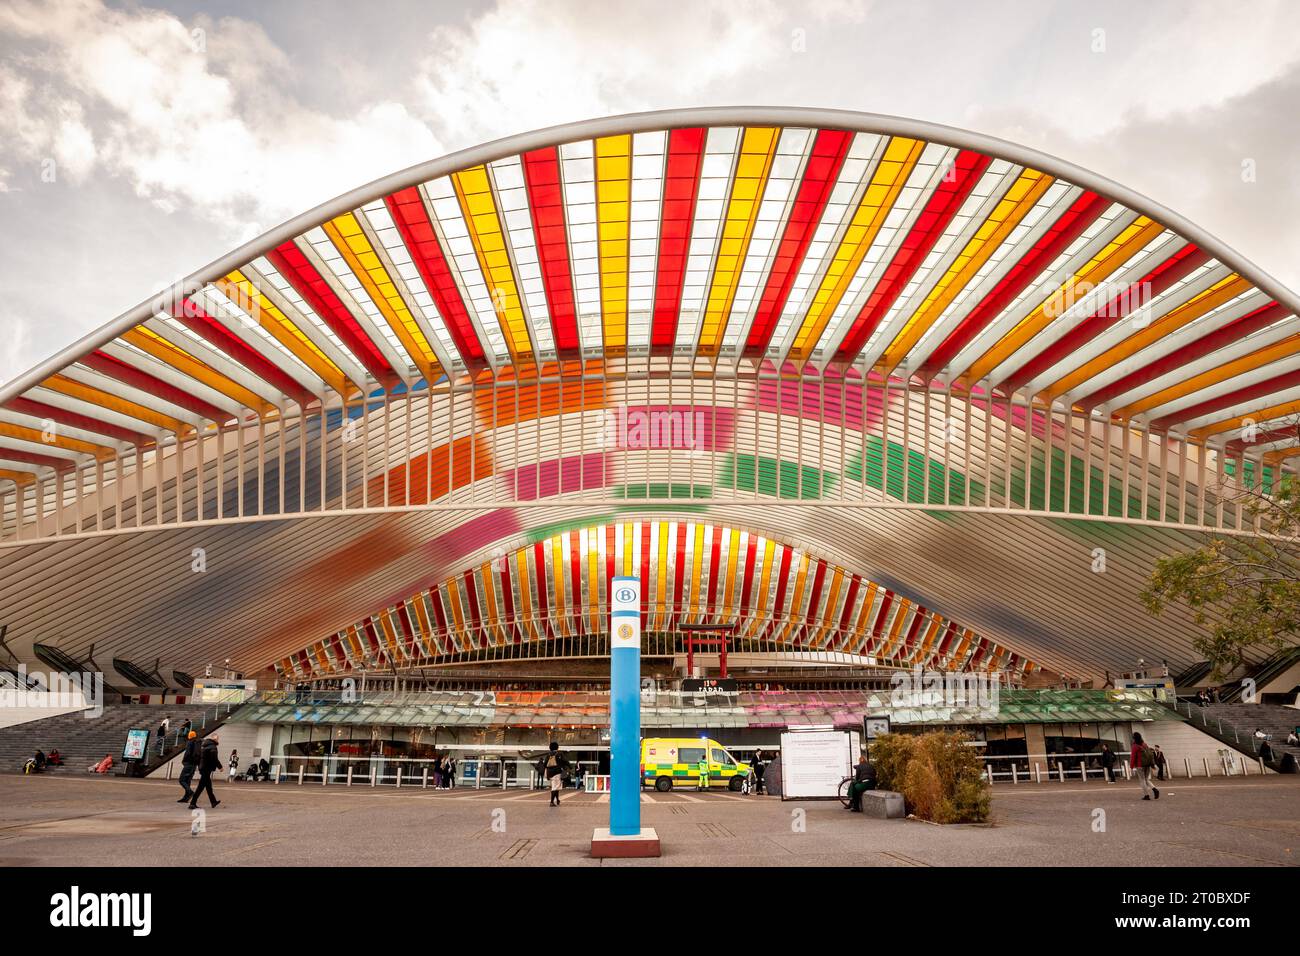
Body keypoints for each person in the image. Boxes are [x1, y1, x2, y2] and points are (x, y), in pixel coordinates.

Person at [189, 734, 222, 809]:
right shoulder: (213, 747)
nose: (218, 740)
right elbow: (214, 759)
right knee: (200, 787)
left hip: (203, 767)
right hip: (207, 768)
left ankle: (213, 802)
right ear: (215, 739)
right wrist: (220, 767)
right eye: (217, 739)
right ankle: (192, 803)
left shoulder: (204, 745)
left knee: (208, 786)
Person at [1130, 731, 1159, 801]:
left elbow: (1133, 757)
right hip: (1147, 765)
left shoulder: (1135, 746)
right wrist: (1152, 764)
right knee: (1146, 779)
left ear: (1134, 738)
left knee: (1142, 780)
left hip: (1140, 765)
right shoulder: (1144, 744)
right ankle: (1155, 789)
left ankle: (1146, 795)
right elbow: (1149, 754)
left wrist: (1131, 766)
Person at [177, 730, 200, 804]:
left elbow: (188, 753)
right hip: (194, 764)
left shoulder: (190, 742)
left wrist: (184, 761)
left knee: (182, 780)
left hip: (189, 764)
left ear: (189, 736)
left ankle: (190, 792)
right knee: (188, 781)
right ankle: (186, 798)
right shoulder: (198, 742)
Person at [543, 741, 568, 807]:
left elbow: (545, 764)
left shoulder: (548, 755)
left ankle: (557, 800)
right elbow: (565, 761)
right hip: (557, 772)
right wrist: (569, 766)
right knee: (555, 787)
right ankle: (551, 802)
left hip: (550, 773)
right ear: (557, 747)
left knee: (556, 787)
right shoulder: (559, 753)